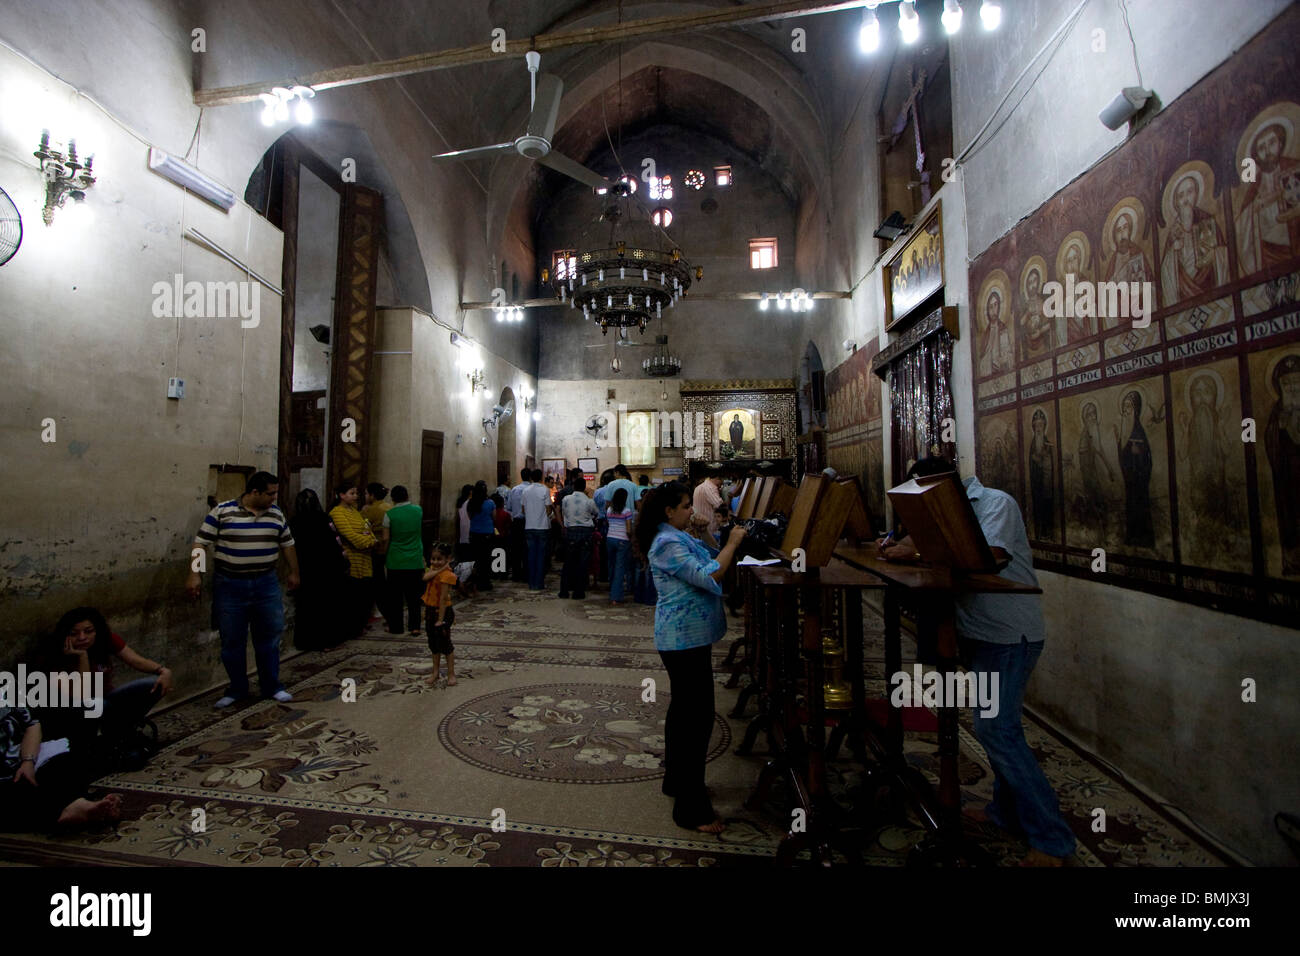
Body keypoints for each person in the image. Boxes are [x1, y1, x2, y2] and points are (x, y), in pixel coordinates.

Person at [878, 456, 1075, 866]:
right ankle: (1004, 812)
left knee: (997, 729)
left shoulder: (994, 504)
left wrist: (917, 553)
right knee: (998, 725)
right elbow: (931, 548)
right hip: (978, 631)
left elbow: (990, 557)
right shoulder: (944, 512)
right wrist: (910, 544)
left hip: (1009, 634)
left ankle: (1053, 841)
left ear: (944, 485)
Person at [639, 482, 747, 833]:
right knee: (696, 720)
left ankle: (677, 782)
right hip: (681, 639)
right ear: (669, 512)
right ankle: (691, 808)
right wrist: (732, 543)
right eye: (686, 506)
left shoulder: (677, 535)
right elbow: (710, 573)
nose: (692, 510)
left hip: (689, 637)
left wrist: (712, 538)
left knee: (684, 714)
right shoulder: (667, 542)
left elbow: (708, 556)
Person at [188, 471, 299, 708]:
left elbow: (288, 544)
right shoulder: (223, 511)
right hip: (230, 585)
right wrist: (194, 573)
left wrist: (294, 571)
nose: (274, 498)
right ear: (254, 492)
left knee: (268, 638)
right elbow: (201, 542)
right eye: (271, 493)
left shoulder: (276, 514)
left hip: (265, 583)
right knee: (232, 640)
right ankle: (237, 688)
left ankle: (271, 686)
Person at [38, 607, 172, 771]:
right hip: (74, 711)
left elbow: (135, 660)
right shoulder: (54, 655)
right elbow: (82, 695)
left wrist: (163, 670)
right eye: (74, 634)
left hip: (106, 700)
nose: (82, 638)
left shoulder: (106, 640)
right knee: (96, 704)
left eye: (88, 632)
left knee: (153, 684)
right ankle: (105, 744)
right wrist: (82, 656)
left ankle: (120, 732)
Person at [0, 706, 122, 831]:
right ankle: (70, 811)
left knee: (67, 763)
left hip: (21, 760)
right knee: (19, 794)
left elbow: (32, 725)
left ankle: (78, 805)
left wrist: (28, 761)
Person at [288, 489, 348, 651]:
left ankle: (305, 641)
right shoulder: (324, 519)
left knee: (306, 605)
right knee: (325, 606)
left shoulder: (294, 522)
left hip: (306, 568)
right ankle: (326, 641)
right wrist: (343, 560)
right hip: (326, 568)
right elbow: (336, 541)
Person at [328, 480, 379, 641]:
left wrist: (369, 539)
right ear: (341, 495)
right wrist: (368, 541)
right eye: (352, 493)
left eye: (356, 493)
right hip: (352, 560)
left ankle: (360, 626)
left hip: (365, 559)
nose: (356, 496)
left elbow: (369, 532)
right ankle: (350, 629)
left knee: (364, 596)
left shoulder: (355, 512)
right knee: (352, 597)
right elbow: (353, 537)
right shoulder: (337, 513)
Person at [383, 485, 425, 636]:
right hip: (414, 559)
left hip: (396, 560)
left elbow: (386, 538)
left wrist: (383, 554)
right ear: (407, 495)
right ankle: (415, 627)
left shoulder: (389, 514)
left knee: (395, 597)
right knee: (414, 596)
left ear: (393, 498)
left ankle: (396, 627)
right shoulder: (418, 510)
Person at [421, 543, 458, 687]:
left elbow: (443, 599)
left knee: (445, 644)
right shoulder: (434, 570)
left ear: (448, 559)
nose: (435, 562)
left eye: (439, 559)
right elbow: (425, 578)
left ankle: (451, 673)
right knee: (433, 644)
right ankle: (435, 672)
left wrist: (440, 620)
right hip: (430, 610)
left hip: (442, 612)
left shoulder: (448, 575)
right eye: (433, 559)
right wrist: (440, 568)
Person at [560, 476, 598, 599]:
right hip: (586, 532)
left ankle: (564, 591)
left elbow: (564, 513)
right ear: (584, 487)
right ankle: (578, 592)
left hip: (570, 530)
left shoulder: (566, 499)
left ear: (574, 486)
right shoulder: (589, 501)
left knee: (568, 562)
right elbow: (595, 513)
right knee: (583, 563)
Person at [362, 482, 390, 620]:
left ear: (372, 495)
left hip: (374, 548)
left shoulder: (369, 510)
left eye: (366, 493)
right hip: (389, 549)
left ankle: (376, 609)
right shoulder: (389, 507)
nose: (364, 496)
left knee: (376, 581)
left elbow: (361, 527)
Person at [522, 468, 552, 590]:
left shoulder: (526, 490)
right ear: (541, 478)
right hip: (542, 527)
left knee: (531, 555)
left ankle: (531, 582)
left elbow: (523, 509)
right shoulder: (544, 489)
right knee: (541, 555)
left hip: (529, 526)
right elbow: (549, 509)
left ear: (531, 478)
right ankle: (539, 583)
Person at [605, 488, 635, 604]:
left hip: (610, 538)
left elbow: (609, 523)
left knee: (611, 566)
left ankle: (612, 591)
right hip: (622, 540)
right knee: (620, 568)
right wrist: (630, 538)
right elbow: (628, 529)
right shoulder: (626, 511)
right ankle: (616, 596)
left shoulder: (609, 510)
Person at [468, 480, 496, 592]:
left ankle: (477, 581)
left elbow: (470, 517)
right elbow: (494, 517)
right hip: (487, 533)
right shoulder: (490, 503)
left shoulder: (471, 503)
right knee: (487, 558)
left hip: (475, 533)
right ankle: (486, 582)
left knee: (476, 558)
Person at [506, 467, 531, 582]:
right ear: (530, 477)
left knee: (516, 549)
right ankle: (527, 573)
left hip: (516, 522)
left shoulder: (514, 490)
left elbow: (509, 507)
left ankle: (516, 574)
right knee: (527, 549)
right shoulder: (531, 489)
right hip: (529, 522)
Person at [692, 473, 725, 546]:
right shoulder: (710, 487)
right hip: (709, 528)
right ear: (717, 478)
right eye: (721, 480)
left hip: (701, 527)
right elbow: (720, 506)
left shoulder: (699, 487)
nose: (722, 483)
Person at [492, 492, 512, 580]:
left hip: (494, 537)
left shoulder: (492, 514)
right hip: (504, 537)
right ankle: (503, 573)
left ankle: (495, 572)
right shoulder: (506, 514)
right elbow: (509, 525)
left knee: (495, 554)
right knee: (504, 555)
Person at [454, 484, 473, 562]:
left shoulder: (460, 502)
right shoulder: (470, 502)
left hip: (462, 525)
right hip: (469, 525)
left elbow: (458, 516)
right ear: (470, 492)